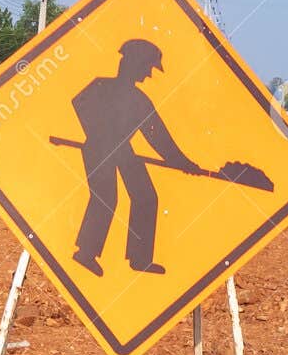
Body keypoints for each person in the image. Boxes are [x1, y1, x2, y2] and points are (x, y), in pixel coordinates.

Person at [68, 39, 204, 279]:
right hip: (98, 149)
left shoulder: (140, 101)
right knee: (106, 197)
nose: (149, 74)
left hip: (123, 150)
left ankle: (140, 259)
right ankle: (86, 253)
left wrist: (184, 164)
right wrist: (98, 134)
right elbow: (78, 103)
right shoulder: (101, 85)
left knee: (146, 197)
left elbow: (159, 138)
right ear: (133, 64)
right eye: (147, 67)